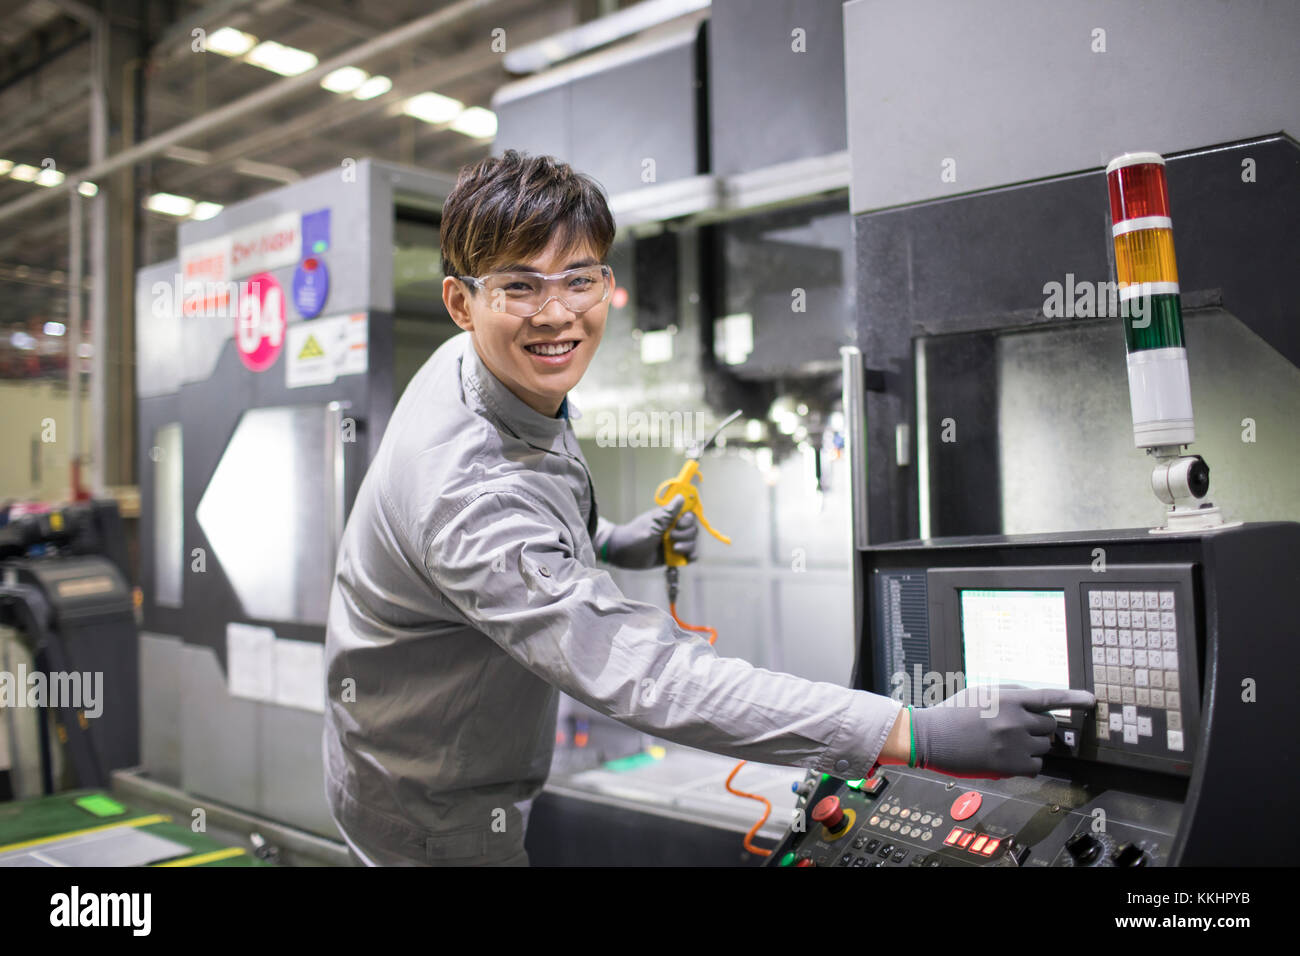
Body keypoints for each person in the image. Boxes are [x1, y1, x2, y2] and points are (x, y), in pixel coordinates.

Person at [321, 150, 1093, 866]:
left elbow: (535, 498)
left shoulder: (495, 369)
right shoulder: (468, 490)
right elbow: (639, 672)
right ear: (461, 301)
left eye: (579, 278)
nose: (557, 315)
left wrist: (618, 541)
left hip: (436, 759)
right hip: (429, 807)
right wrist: (911, 731)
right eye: (521, 286)